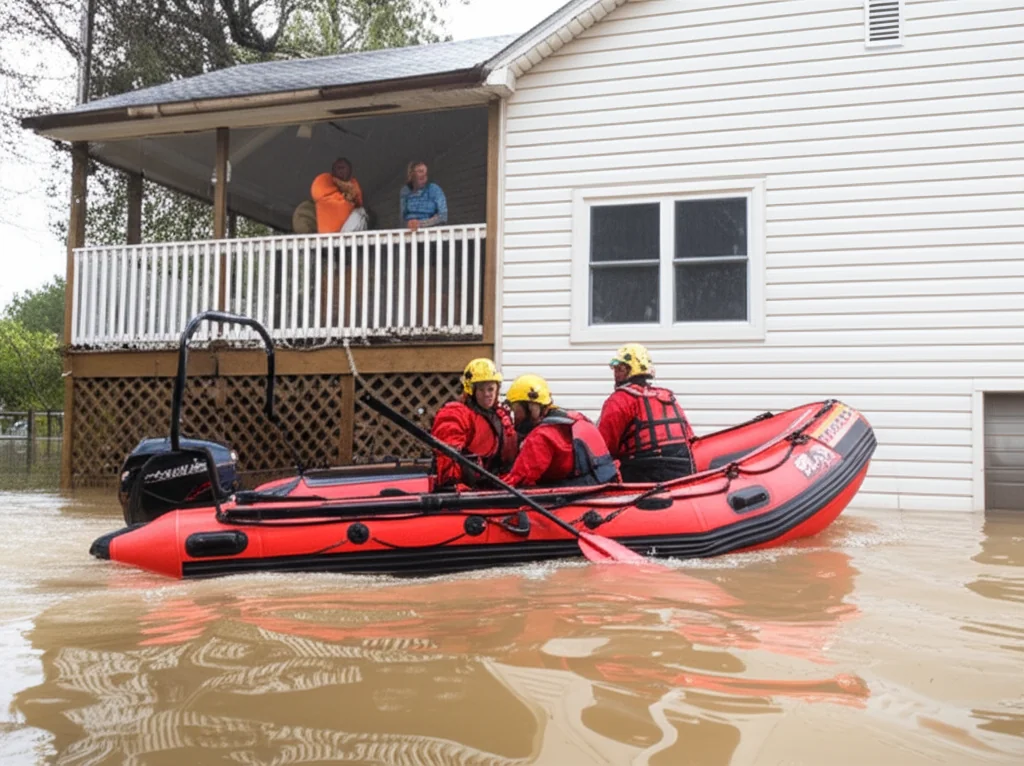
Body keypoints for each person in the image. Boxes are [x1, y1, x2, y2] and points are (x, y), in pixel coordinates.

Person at [499, 374, 620, 488]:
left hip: (577, 494)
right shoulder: (576, 418)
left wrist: (494, 482)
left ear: (530, 407)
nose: (514, 416)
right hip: (605, 483)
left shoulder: (541, 437)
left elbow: (519, 480)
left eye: (516, 409)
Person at [598, 344, 695, 483]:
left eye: (620, 369)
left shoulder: (619, 401)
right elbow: (689, 437)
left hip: (643, 476)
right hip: (682, 474)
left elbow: (603, 448)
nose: (615, 373)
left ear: (630, 371)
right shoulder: (667, 397)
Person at [431, 358, 517, 489]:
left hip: (495, 484)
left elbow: (509, 458)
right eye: (481, 390)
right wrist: (455, 486)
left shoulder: (501, 415)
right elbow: (447, 456)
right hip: (468, 489)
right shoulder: (456, 414)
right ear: (471, 390)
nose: (487, 394)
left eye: (491, 389)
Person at [310, 157, 367, 234]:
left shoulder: (354, 186)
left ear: (350, 171)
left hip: (345, 233)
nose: (340, 170)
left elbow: (358, 202)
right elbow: (317, 193)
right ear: (333, 171)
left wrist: (349, 190)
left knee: (361, 212)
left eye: (343, 168)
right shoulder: (324, 181)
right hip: (328, 236)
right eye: (338, 168)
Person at [400, 161, 448, 230]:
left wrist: (420, 224)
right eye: (420, 171)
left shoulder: (434, 189)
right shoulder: (405, 191)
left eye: (425, 172)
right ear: (411, 174)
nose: (424, 175)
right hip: (409, 235)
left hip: (431, 235)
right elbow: (402, 219)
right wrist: (408, 224)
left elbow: (443, 217)